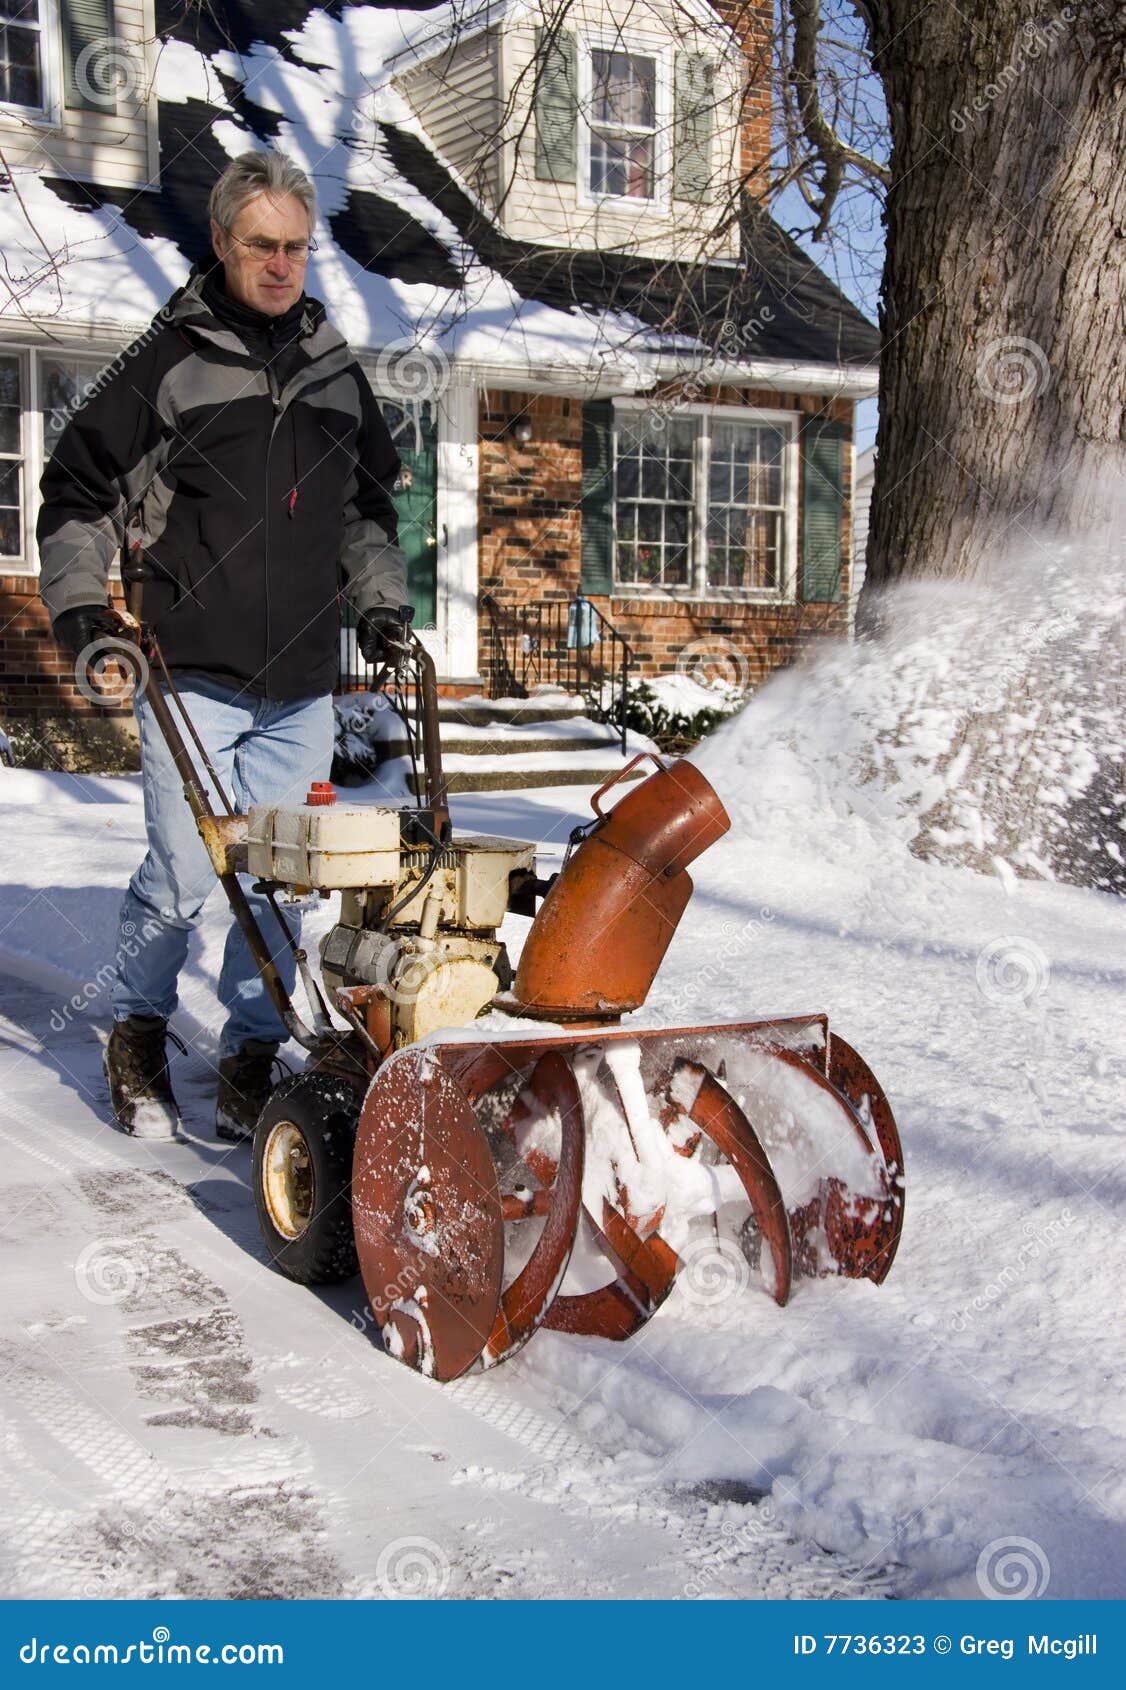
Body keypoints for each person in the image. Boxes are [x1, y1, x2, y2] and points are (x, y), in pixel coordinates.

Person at [38, 150, 407, 1143]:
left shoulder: (335, 369)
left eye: (296, 247)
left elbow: (367, 508)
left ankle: (251, 1053)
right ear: (221, 242)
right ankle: (139, 1032)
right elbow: (76, 492)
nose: (282, 265)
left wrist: (378, 605)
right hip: (188, 675)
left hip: (299, 683)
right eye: (262, 246)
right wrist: (82, 616)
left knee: (286, 881)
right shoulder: (167, 358)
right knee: (184, 873)